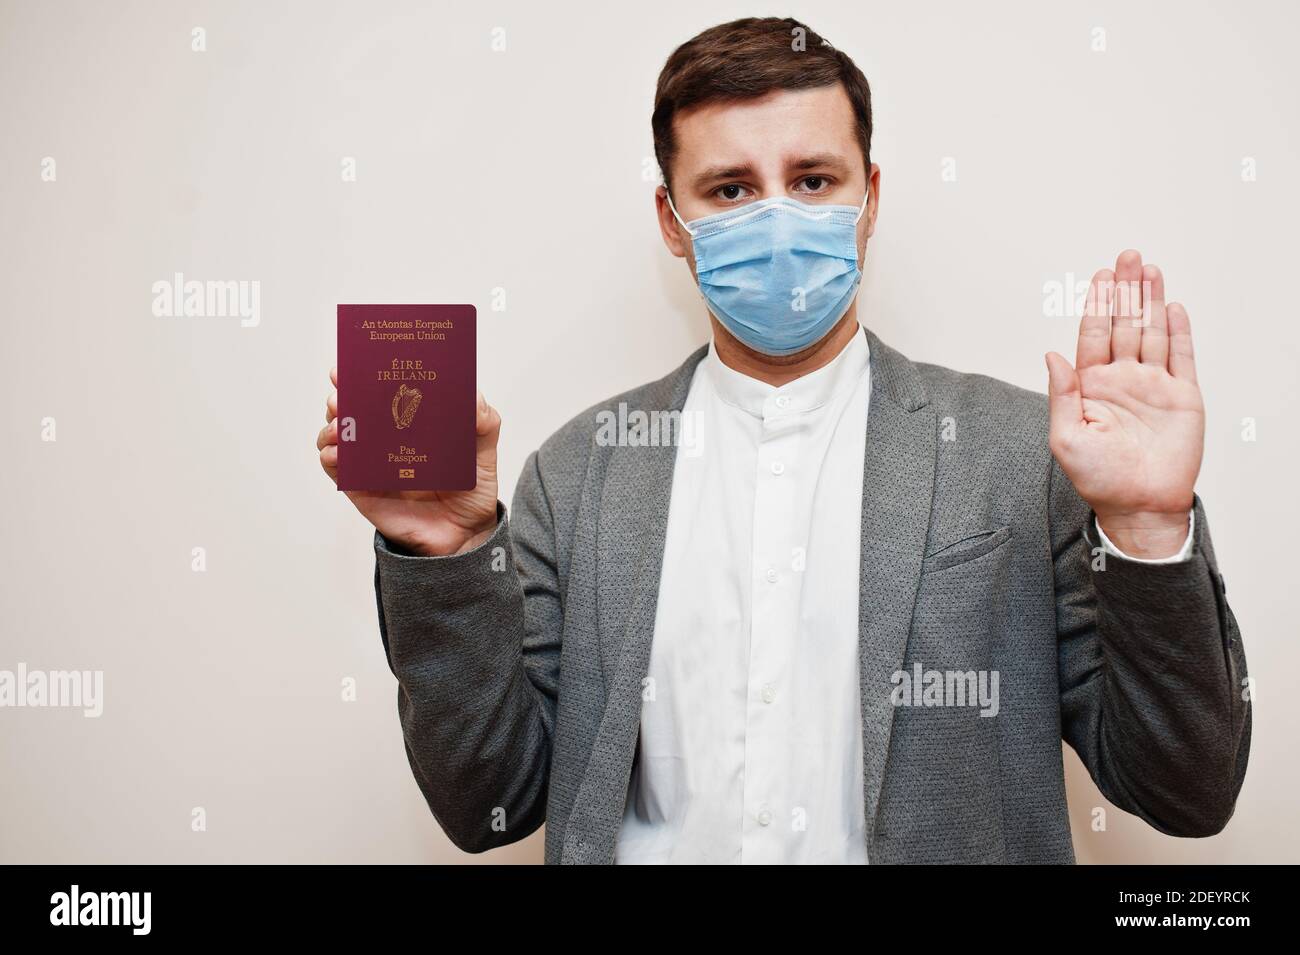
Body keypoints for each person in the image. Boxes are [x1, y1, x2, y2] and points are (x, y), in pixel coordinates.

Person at [316, 16, 1249, 864]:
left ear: (870, 197)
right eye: (730, 188)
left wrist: (1148, 529)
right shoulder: (576, 473)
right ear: (671, 224)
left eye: (812, 180)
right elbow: (491, 802)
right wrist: (445, 554)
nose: (776, 218)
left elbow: (1186, 791)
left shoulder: (1017, 452)